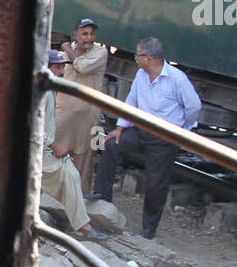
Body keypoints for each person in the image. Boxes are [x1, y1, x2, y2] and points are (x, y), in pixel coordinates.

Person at [88, 36, 201, 239]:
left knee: (156, 182)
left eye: (137, 55)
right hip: (141, 130)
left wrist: (182, 130)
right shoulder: (141, 74)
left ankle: (148, 230)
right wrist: (121, 127)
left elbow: (194, 107)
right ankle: (103, 195)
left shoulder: (177, 79)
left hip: (165, 136)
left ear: (149, 58)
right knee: (111, 145)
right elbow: (131, 101)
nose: (135, 59)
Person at [44, 50, 108, 241]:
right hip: (36, 149)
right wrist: (53, 144)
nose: (61, 71)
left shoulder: (49, 87)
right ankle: (83, 227)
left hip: (39, 147)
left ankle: (82, 226)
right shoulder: (44, 89)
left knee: (70, 175)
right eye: (57, 67)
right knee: (67, 175)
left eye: (62, 66)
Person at [56, 18, 108, 193]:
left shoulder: (100, 53)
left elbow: (83, 67)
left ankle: (81, 198)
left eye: (92, 33)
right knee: (55, 153)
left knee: (85, 161)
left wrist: (68, 49)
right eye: (84, 33)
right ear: (75, 35)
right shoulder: (64, 54)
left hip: (89, 116)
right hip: (64, 112)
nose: (89, 37)